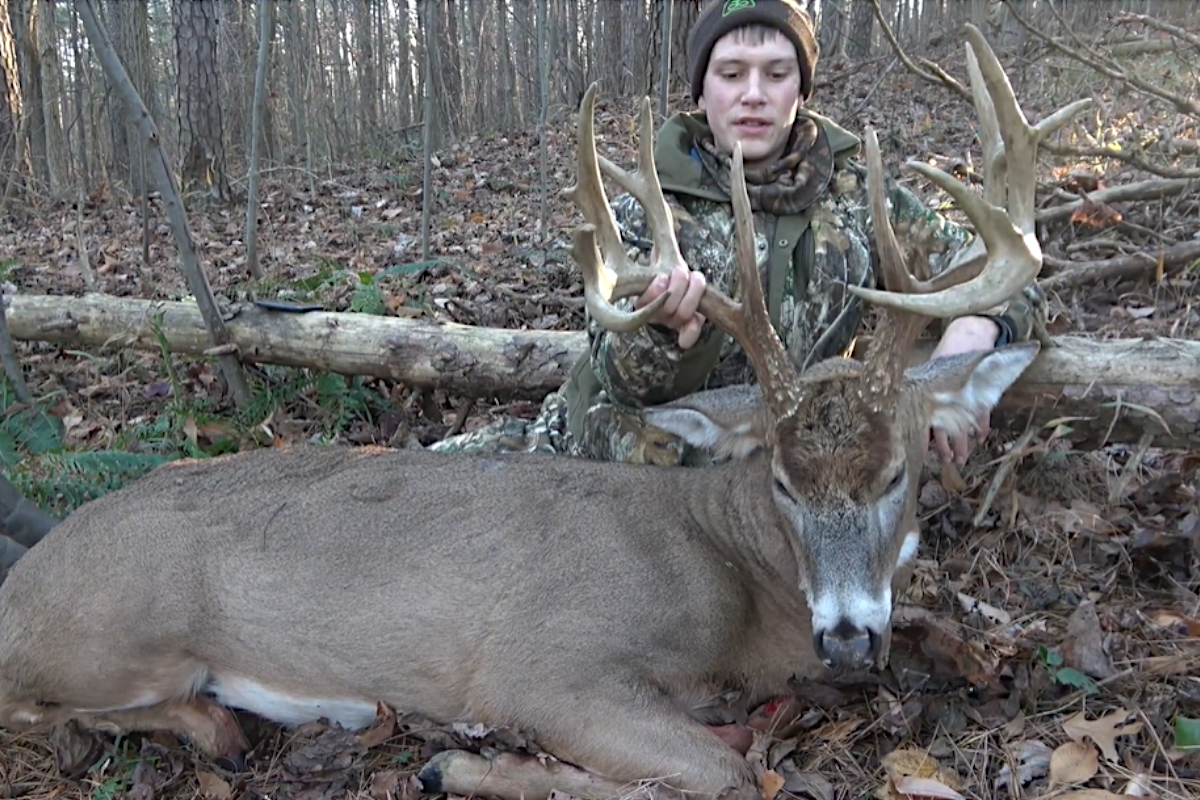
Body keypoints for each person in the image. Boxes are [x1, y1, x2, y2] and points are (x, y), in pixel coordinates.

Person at [431, 0, 1044, 469]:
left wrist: (960, 357)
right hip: (605, 474)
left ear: (801, 91)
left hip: (780, 491)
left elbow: (1003, 269)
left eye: (776, 73)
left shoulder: (861, 201)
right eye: (731, 73)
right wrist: (669, 338)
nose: (753, 94)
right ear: (701, 88)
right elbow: (616, 378)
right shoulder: (647, 210)